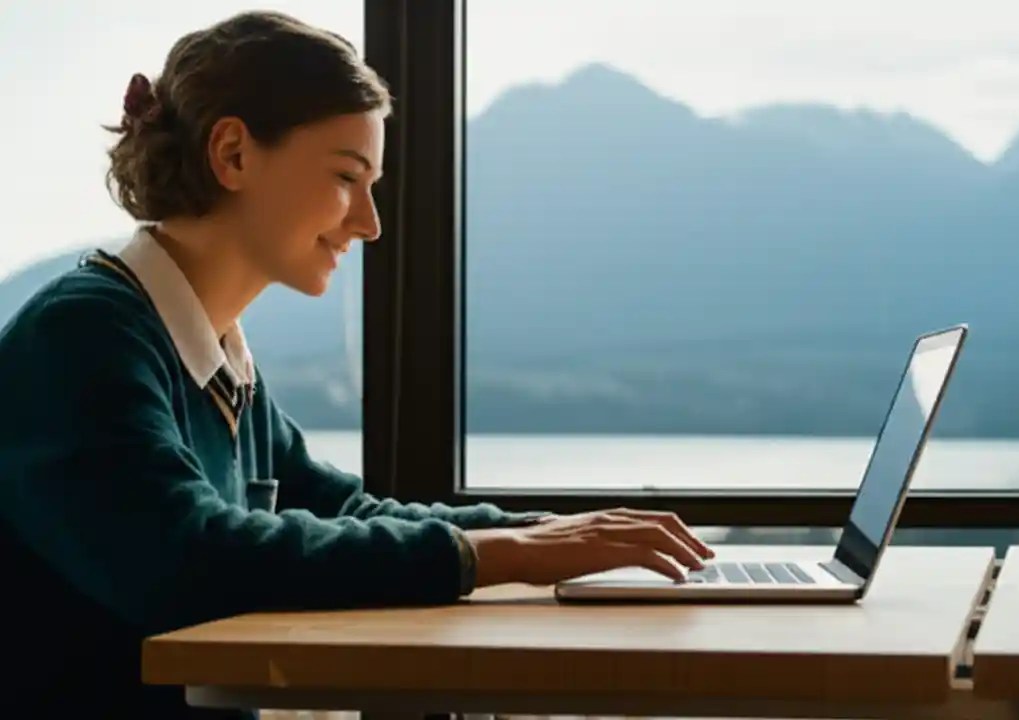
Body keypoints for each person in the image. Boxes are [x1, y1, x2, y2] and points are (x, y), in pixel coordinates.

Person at [0, 11, 712, 718]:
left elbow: (341, 510)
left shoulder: (210, 352)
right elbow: (188, 557)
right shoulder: (81, 338)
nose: (369, 222)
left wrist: (551, 533)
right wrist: (507, 555)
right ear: (234, 154)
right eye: (347, 177)